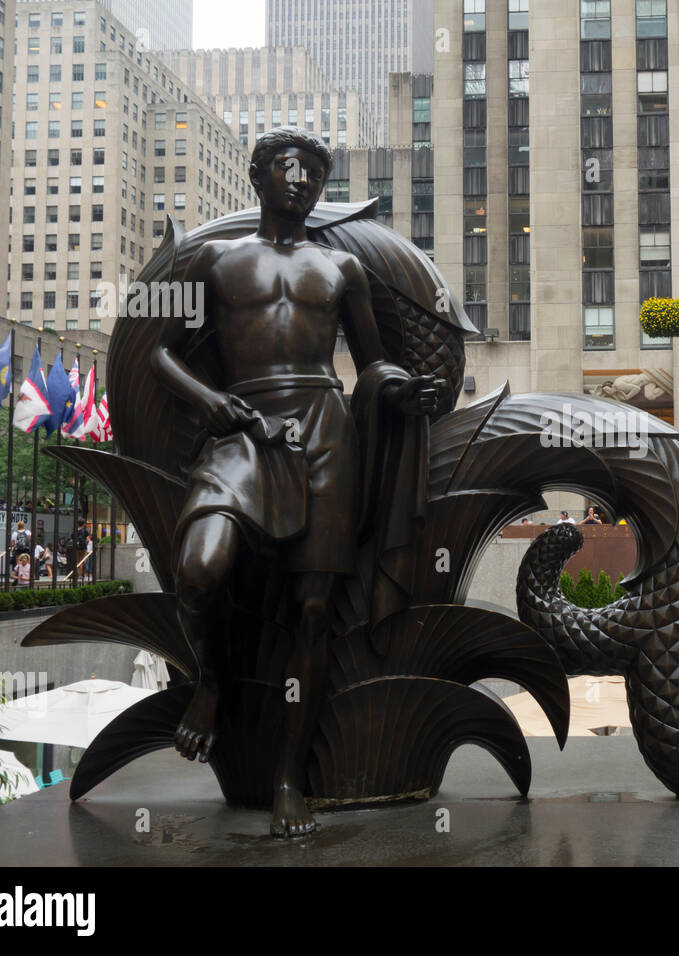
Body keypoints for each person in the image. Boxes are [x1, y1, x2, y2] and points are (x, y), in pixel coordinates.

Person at [152, 126, 448, 837]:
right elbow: (161, 352)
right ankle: (211, 683)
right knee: (200, 567)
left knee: (312, 611)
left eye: (314, 170)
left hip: (324, 429)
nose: (302, 179)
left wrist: (403, 392)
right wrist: (210, 401)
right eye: (288, 166)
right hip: (243, 431)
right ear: (257, 178)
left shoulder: (340, 269)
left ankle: (290, 779)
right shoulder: (217, 262)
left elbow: (373, 363)